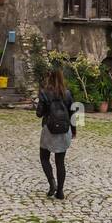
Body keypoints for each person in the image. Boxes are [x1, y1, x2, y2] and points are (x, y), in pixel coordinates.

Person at [35, 68, 75, 200]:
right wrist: (74, 131)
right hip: (64, 130)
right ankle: (60, 192)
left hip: (49, 129)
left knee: (44, 157)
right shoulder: (68, 93)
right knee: (60, 161)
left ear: (49, 77)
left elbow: (39, 114)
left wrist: (39, 104)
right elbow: (75, 113)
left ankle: (52, 182)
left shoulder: (44, 93)